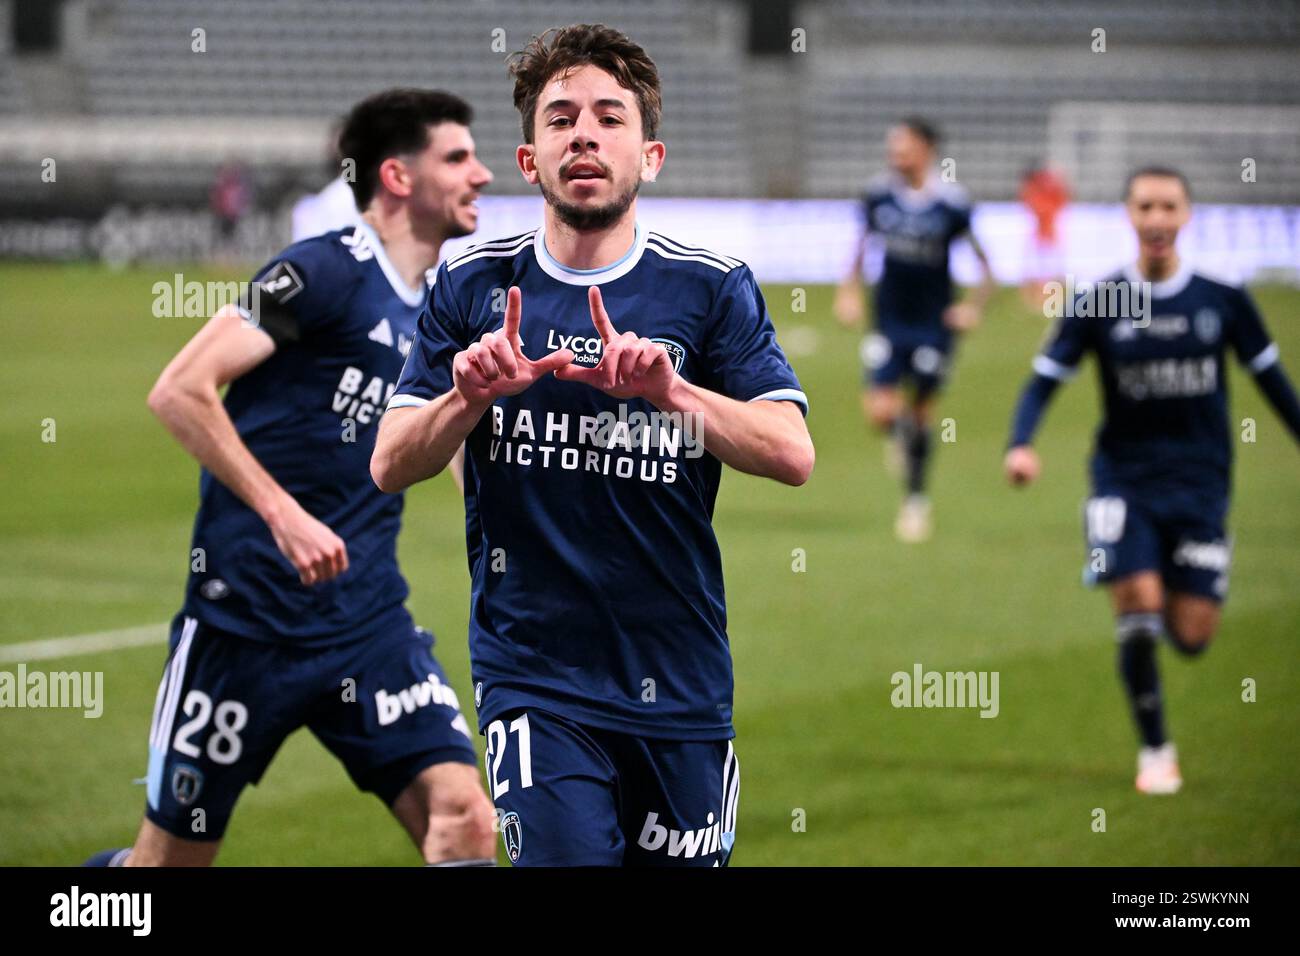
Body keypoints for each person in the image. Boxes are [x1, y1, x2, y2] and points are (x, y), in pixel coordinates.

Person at [371, 24, 814, 866]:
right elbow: (392, 462)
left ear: (650, 155)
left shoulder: (709, 287)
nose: (584, 133)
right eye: (560, 117)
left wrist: (672, 392)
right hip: (536, 679)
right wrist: (464, 399)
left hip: (681, 681)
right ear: (530, 160)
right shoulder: (472, 284)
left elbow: (792, 453)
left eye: (610, 117)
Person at [86, 89, 497, 866]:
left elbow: (436, 444)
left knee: (466, 815)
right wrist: (283, 513)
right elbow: (180, 389)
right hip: (247, 626)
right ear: (398, 177)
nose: (480, 174)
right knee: (160, 871)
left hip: (368, 624)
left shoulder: (444, 309)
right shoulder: (319, 272)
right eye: (458, 157)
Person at [1004, 167, 1300, 794]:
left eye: (1169, 205)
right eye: (1146, 206)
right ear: (1129, 215)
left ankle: (1172, 580)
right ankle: (1156, 752)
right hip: (1123, 481)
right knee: (1137, 600)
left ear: (1187, 215)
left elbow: (1271, 380)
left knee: (1192, 635)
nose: (1157, 218)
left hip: (1201, 487)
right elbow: (1043, 380)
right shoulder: (1102, 300)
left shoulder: (1221, 299)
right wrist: (1021, 444)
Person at [834, 117, 994, 542]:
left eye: (903, 146)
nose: (895, 154)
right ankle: (900, 438)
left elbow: (986, 268)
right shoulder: (879, 196)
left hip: (934, 326)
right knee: (880, 412)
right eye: (893, 146)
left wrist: (971, 307)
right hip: (888, 321)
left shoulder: (951, 204)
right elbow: (860, 246)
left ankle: (915, 502)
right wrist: (848, 291)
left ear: (926, 149)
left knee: (922, 412)